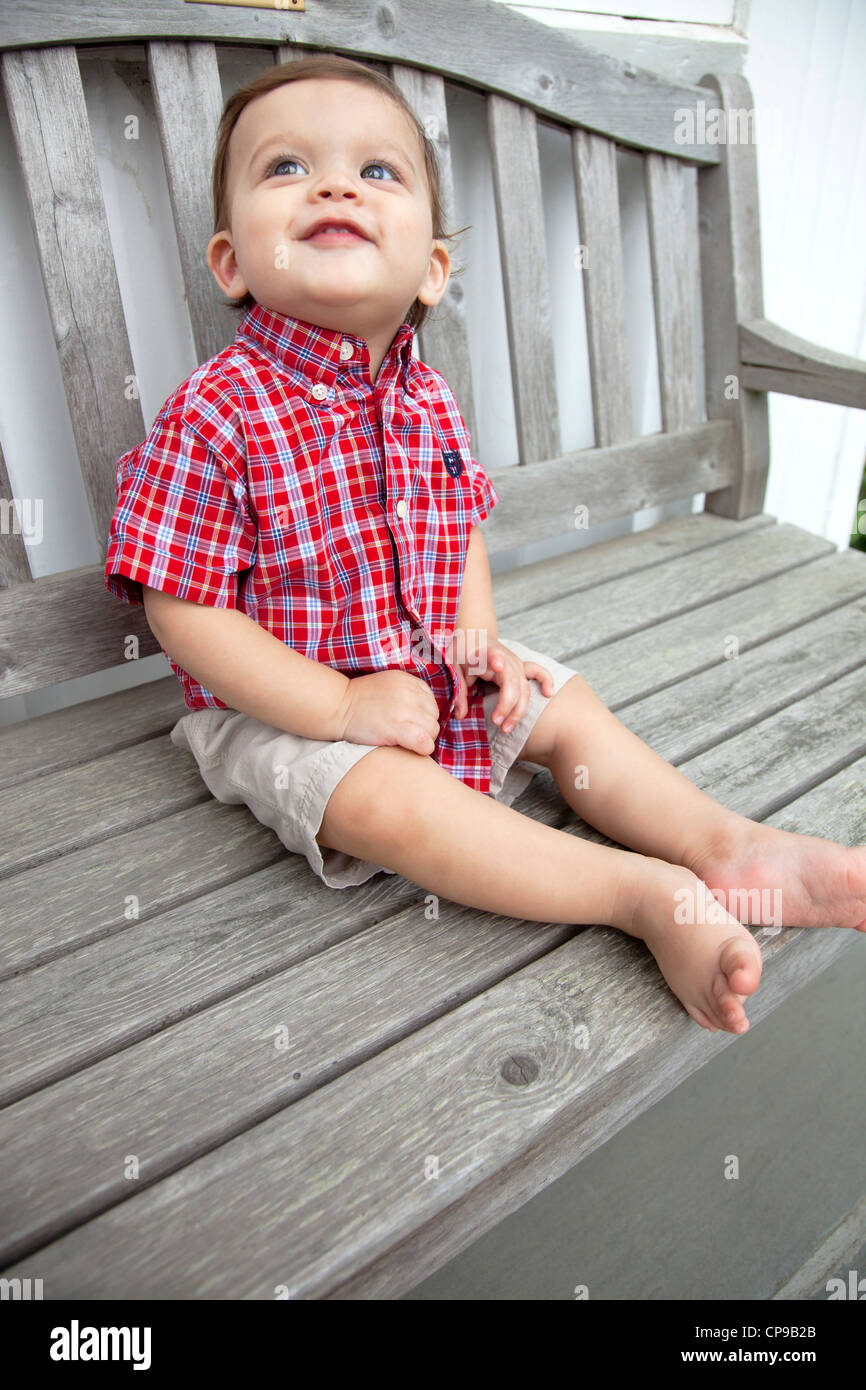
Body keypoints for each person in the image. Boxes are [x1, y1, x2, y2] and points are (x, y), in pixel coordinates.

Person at [104, 54, 866, 1040]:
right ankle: (637, 893)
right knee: (388, 801)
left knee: (560, 702)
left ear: (430, 269)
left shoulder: (424, 400)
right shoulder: (214, 413)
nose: (335, 184)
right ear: (231, 263)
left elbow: (455, 529)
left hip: (421, 665)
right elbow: (184, 610)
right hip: (273, 705)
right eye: (287, 167)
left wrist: (478, 642)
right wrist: (337, 703)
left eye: (377, 173)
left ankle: (721, 843)